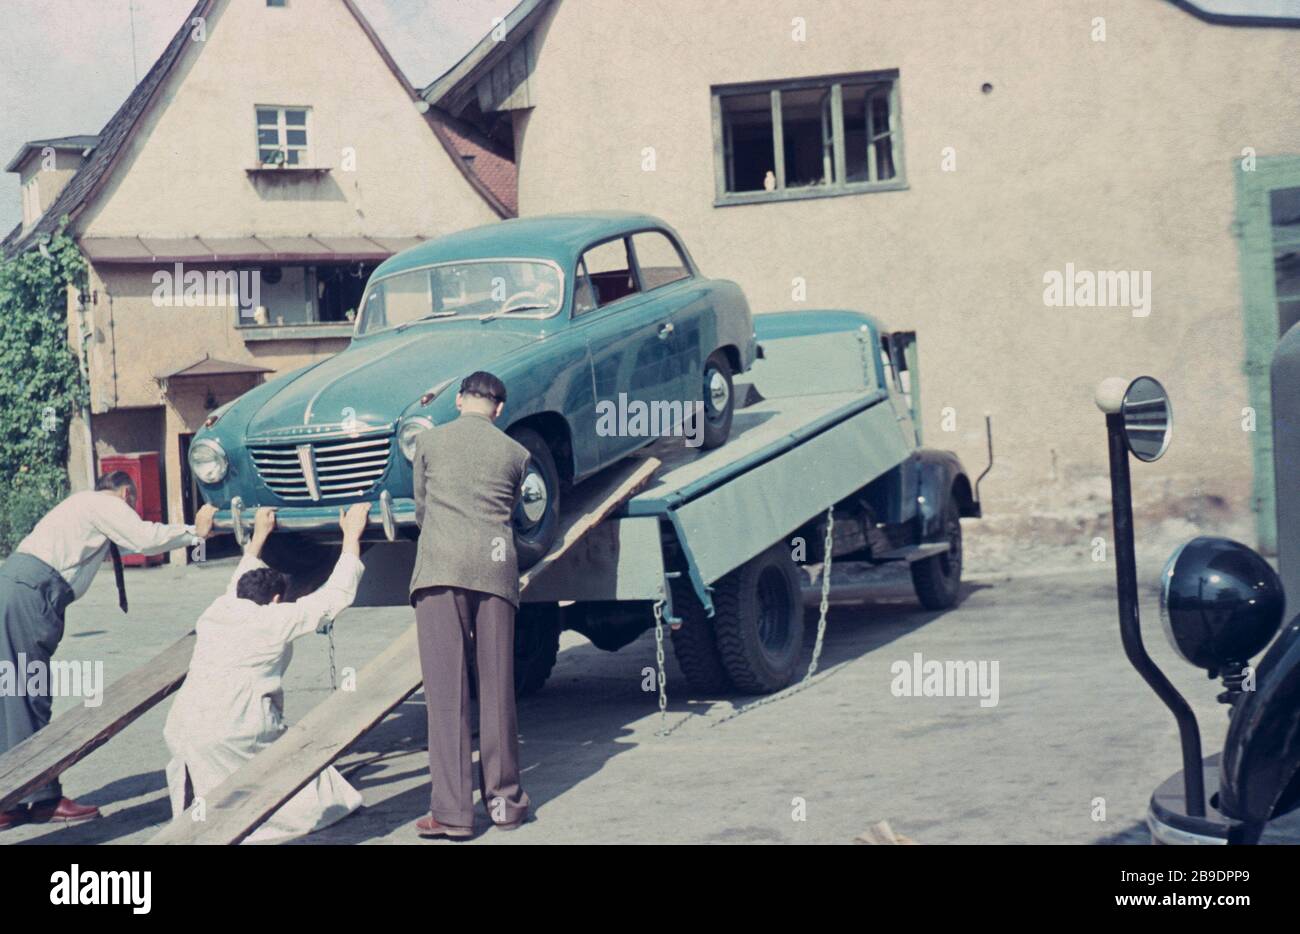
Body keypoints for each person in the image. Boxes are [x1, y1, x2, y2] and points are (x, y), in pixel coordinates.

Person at [0, 471, 216, 830]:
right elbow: (144, 538)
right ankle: (38, 798)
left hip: (18, 585)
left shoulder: (82, 507)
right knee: (28, 694)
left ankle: (18, 798)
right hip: (30, 592)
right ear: (127, 493)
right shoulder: (103, 503)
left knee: (14, 693)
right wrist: (195, 530)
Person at [163, 503, 369, 844]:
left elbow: (239, 576)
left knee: (212, 788)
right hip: (234, 733)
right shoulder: (274, 619)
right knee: (318, 792)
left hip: (181, 728)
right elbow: (334, 597)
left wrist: (258, 536)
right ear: (276, 599)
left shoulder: (218, 609)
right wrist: (351, 537)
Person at [410, 371, 531, 838]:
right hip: (496, 572)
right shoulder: (516, 454)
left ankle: (453, 814)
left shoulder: (430, 443)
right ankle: (504, 803)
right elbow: (514, 511)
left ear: (460, 400)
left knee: (446, 696)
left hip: (440, 570)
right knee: (497, 690)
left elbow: (422, 510)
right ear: (499, 409)